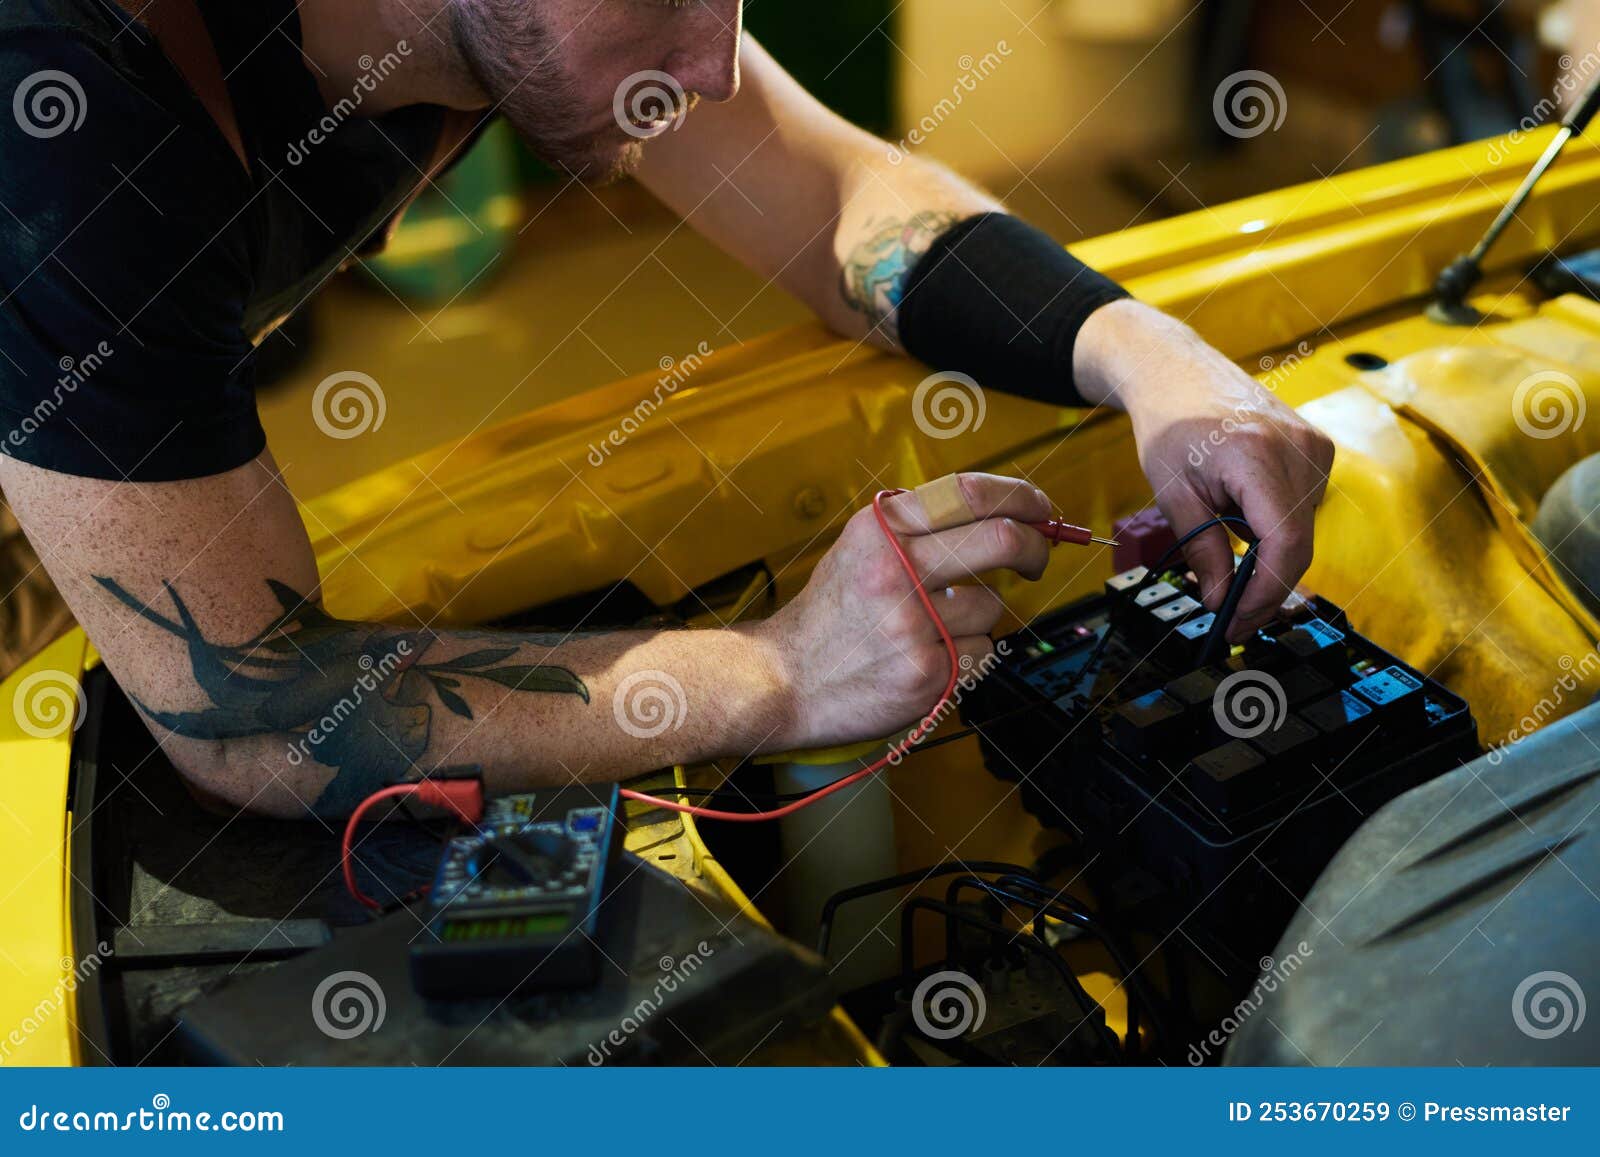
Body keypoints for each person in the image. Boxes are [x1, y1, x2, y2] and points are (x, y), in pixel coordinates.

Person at [0, 0, 1333, 818]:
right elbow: (256, 709)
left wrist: (1148, 356)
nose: (710, 60)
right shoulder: (64, 109)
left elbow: (832, 208)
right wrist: (779, 670)